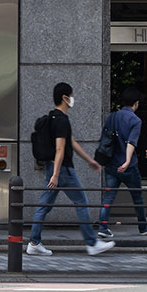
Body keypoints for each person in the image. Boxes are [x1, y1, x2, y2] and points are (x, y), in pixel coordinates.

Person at [28, 82, 114, 257]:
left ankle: (34, 242)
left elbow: (72, 143)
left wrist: (90, 161)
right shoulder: (61, 120)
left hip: (55, 168)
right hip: (63, 170)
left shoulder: (54, 117)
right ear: (65, 98)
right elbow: (60, 149)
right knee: (81, 202)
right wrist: (56, 175)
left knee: (44, 206)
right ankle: (92, 243)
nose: (73, 99)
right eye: (71, 95)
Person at [96, 86, 147, 238]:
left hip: (111, 164)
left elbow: (105, 138)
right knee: (137, 196)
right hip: (128, 167)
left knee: (109, 196)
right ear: (136, 103)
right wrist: (127, 161)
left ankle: (103, 227)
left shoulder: (112, 116)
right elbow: (131, 142)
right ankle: (142, 225)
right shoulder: (135, 120)